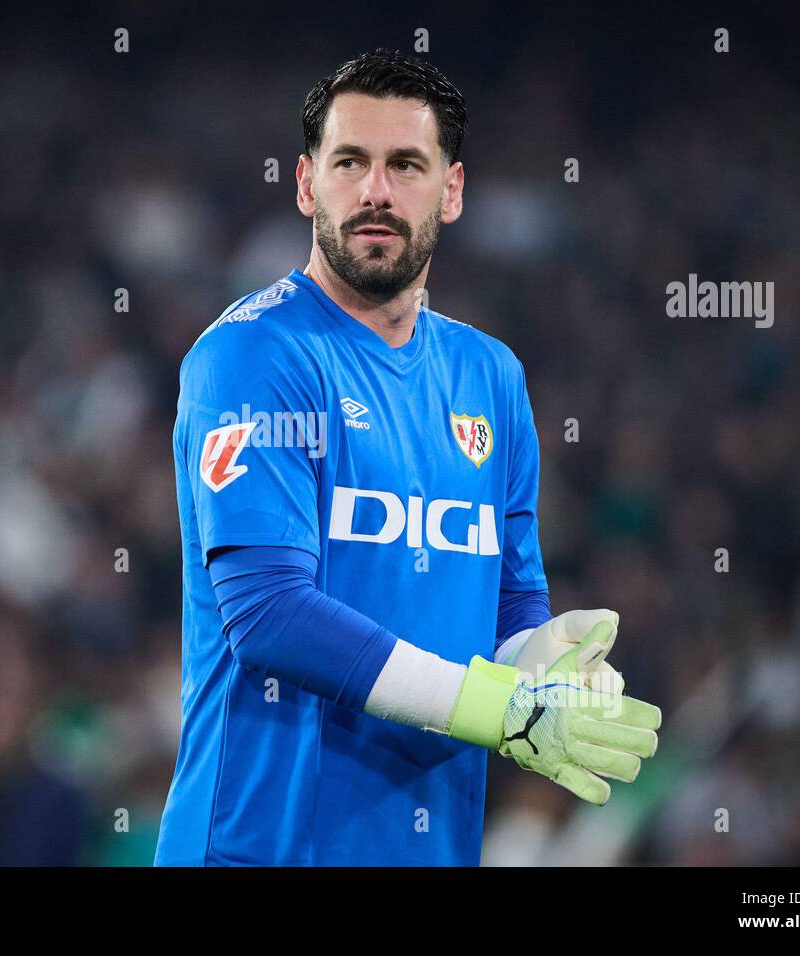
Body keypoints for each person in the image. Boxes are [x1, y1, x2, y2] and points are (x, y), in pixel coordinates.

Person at [155, 48, 660, 867]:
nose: (376, 191)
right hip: (261, 849)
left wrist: (546, 666)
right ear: (305, 182)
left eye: (406, 164)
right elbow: (268, 614)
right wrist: (494, 708)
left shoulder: (490, 377)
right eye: (350, 161)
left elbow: (509, 604)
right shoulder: (254, 356)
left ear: (451, 190)